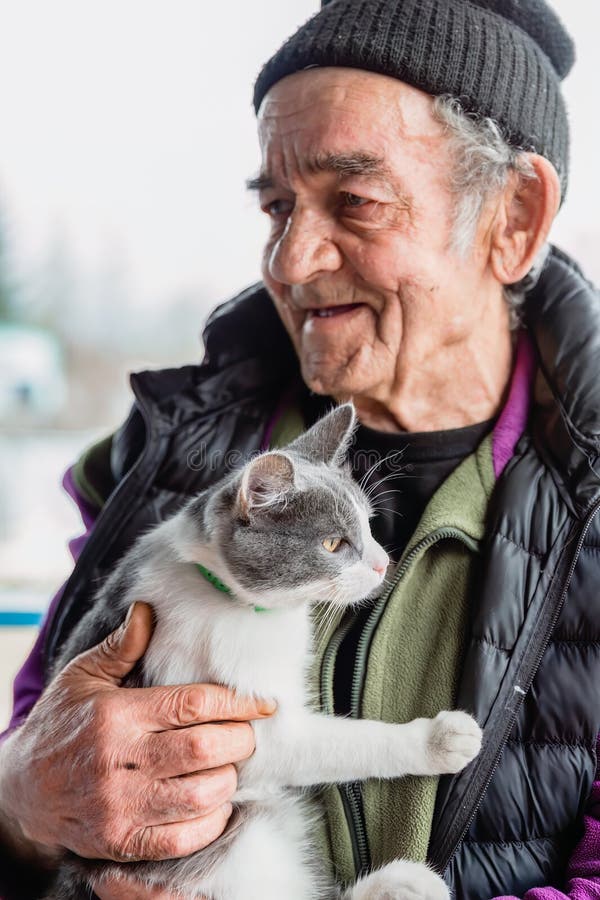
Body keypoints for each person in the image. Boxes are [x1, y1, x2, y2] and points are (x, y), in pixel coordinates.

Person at [2, 0, 600, 898]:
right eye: (277, 205)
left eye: (353, 200)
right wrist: (21, 806)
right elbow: (42, 740)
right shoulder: (167, 450)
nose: (288, 259)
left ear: (513, 217)